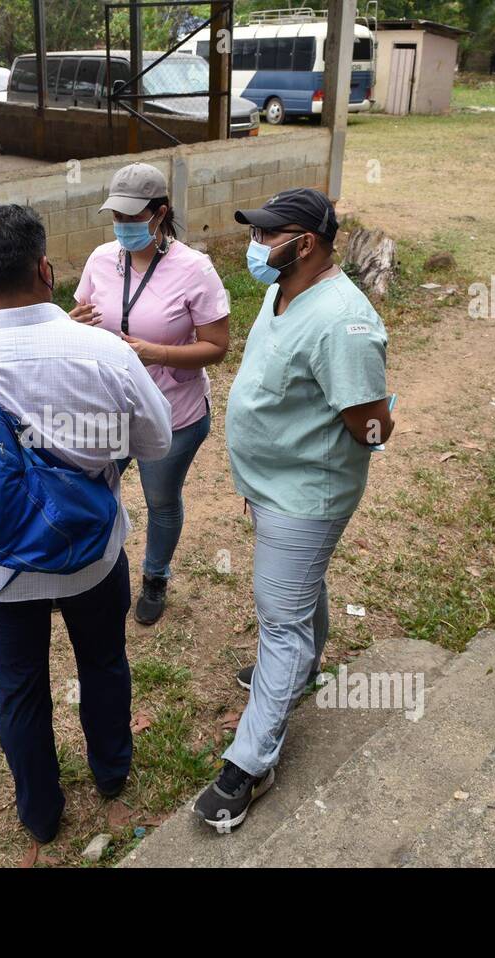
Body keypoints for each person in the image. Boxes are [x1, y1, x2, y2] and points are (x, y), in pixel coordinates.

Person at [0, 204, 173, 844]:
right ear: (47, 269)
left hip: (0, 564)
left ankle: (40, 813)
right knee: (104, 663)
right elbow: (158, 439)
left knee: (20, 688)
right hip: (91, 552)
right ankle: (111, 772)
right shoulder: (106, 353)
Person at [193, 188, 393, 832]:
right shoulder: (282, 290)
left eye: (265, 235)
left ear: (304, 243)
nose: (254, 247)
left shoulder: (344, 321)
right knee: (299, 594)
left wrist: (379, 417)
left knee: (280, 623)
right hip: (270, 486)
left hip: (304, 498)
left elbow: (371, 427)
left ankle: (249, 765)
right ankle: (301, 664)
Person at [71, 162, 230, 625]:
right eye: (116, 217)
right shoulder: (101, 259)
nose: (122, 227)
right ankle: (89, 570)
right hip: (110, 409)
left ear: (160, 214)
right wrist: (71, 322)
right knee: (91, 487)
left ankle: (155, 575)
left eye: (132, 218)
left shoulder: (194, 269)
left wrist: (155, 352)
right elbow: (79, 311)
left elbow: (217, 347)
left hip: (171, 412)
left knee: (160, 499)